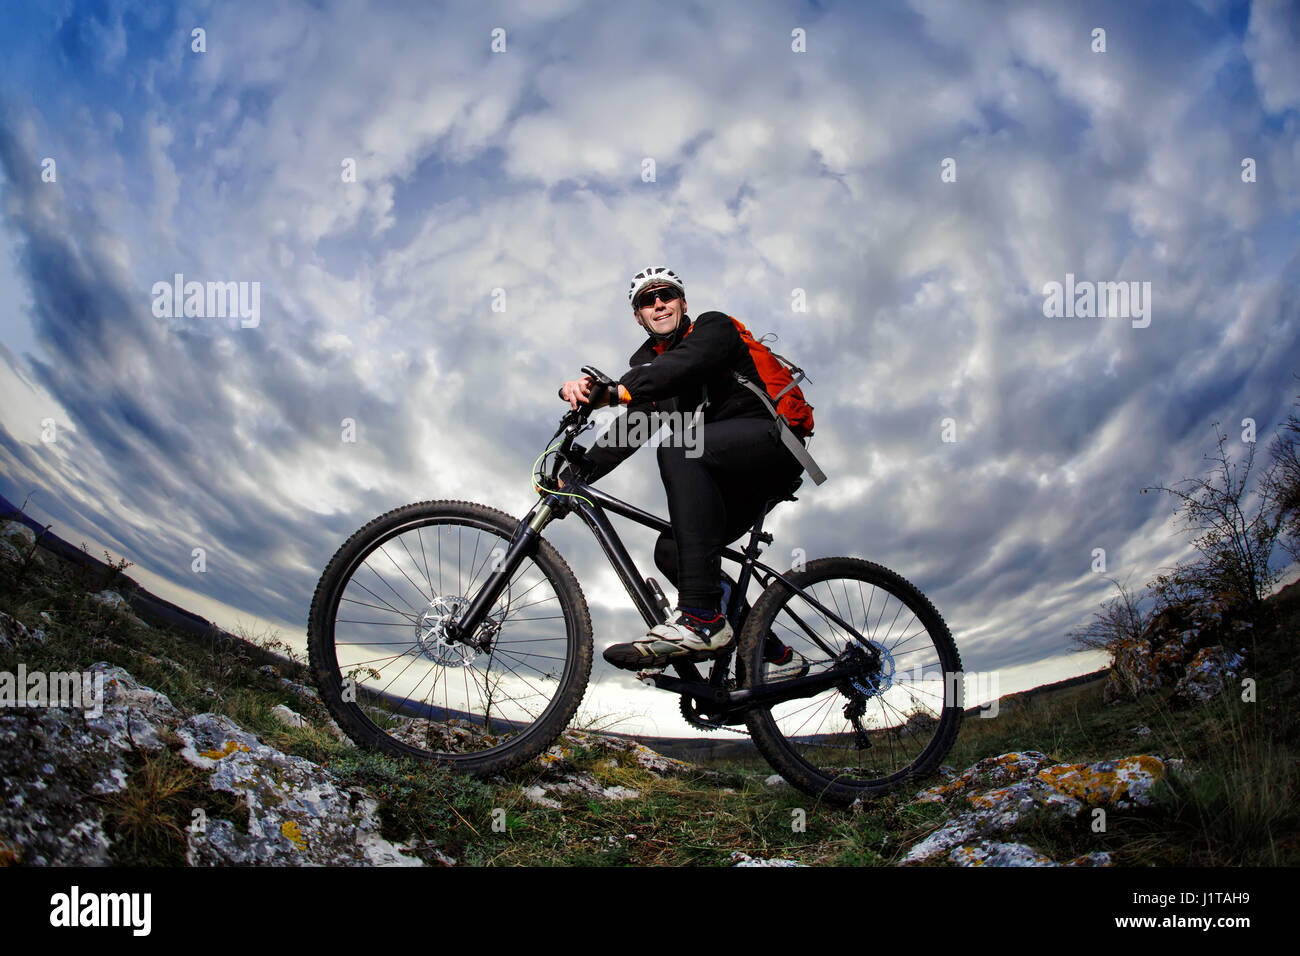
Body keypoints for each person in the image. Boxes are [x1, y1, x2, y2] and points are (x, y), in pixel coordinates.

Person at [557, 266, 809, 677]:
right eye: (646, 301)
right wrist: (575, 475)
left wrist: (613, 391)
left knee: (680, 447)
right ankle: (774, 655)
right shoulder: (651, 370)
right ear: (638, 316)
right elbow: (632, 430)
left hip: (773, 444)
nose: (658, 304)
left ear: (683, 303)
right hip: (726, 470)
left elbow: (686, 366)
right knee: (672, 550)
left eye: (667, 295)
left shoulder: (713, 329)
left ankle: (701, 620)